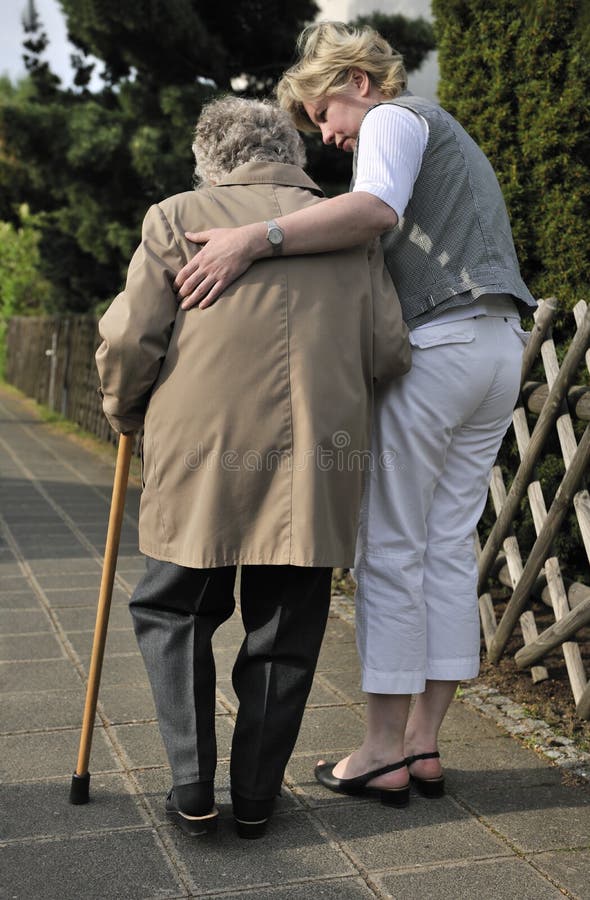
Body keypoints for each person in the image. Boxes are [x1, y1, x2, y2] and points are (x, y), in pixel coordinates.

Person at [172, 23, 537, 804]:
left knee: (392, 544)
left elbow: (371, 212)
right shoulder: (449, 135)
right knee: (443, 544)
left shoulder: (394, 121)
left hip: (439, 345)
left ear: (359, 83)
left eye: (323, 112)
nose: (327, 135)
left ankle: (378, 752)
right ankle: (422, 745)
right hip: (501, 341)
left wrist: (253, 240)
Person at [95, 95, 410, 839]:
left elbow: (129, 340)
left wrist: (123, 412)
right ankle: (259, 800)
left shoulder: (176, 216)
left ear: (211, 159)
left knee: (174, 609)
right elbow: (389, 352)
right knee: (286, 626)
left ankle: (192, 789)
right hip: (314, 461)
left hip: (203, 452)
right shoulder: (349, 228)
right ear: (292, 156)